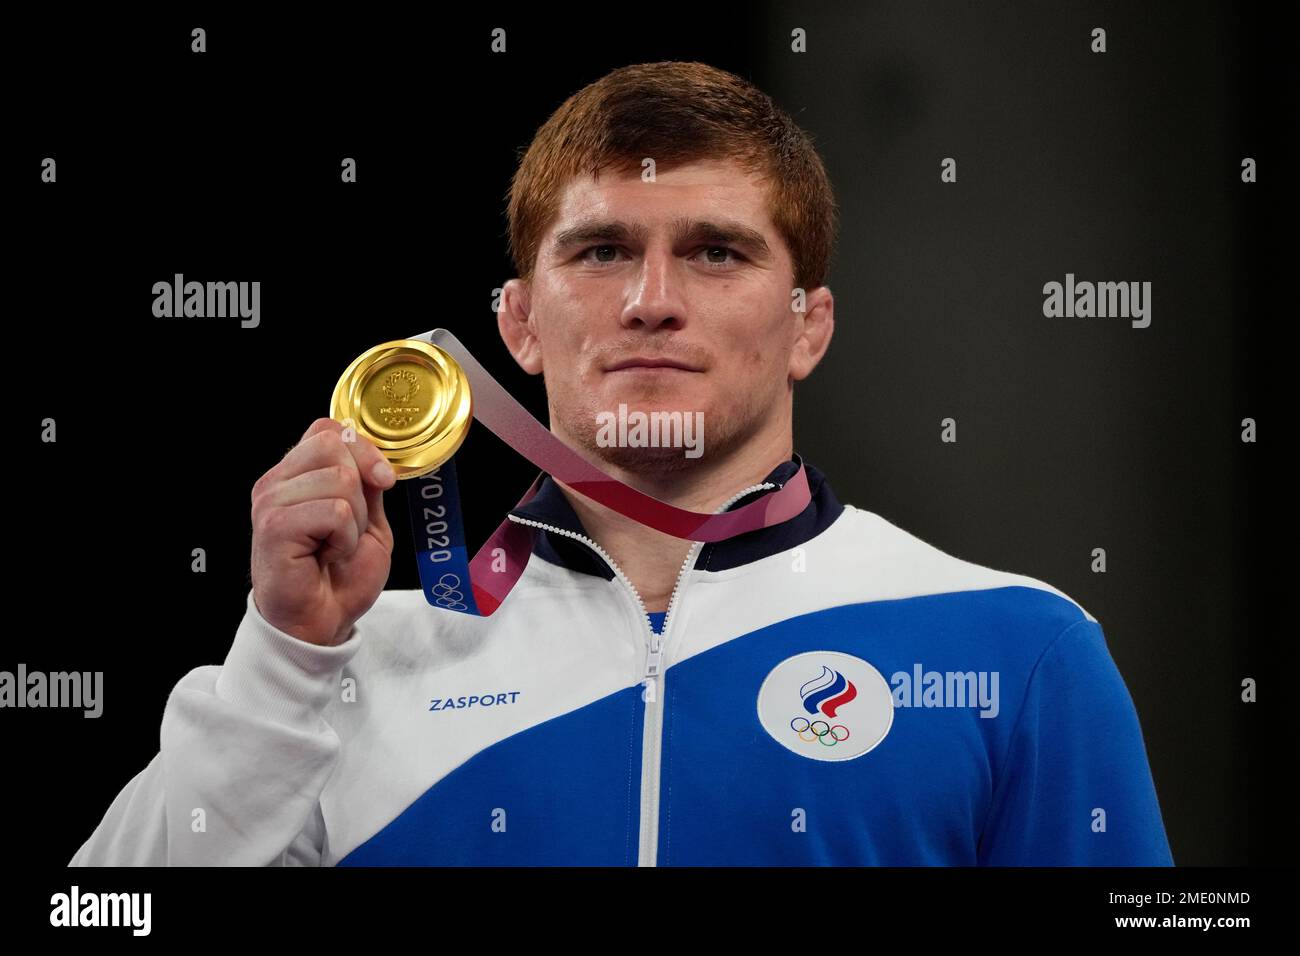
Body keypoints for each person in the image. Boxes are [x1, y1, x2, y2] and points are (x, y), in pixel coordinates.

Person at [70, 61, 1173, 866]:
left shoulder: (1018, 649)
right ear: (517, 324)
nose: (651, 299)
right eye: (600, 251)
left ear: (808, 325)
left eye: (716, 251)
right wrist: (282, 655)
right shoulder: (346, 669)